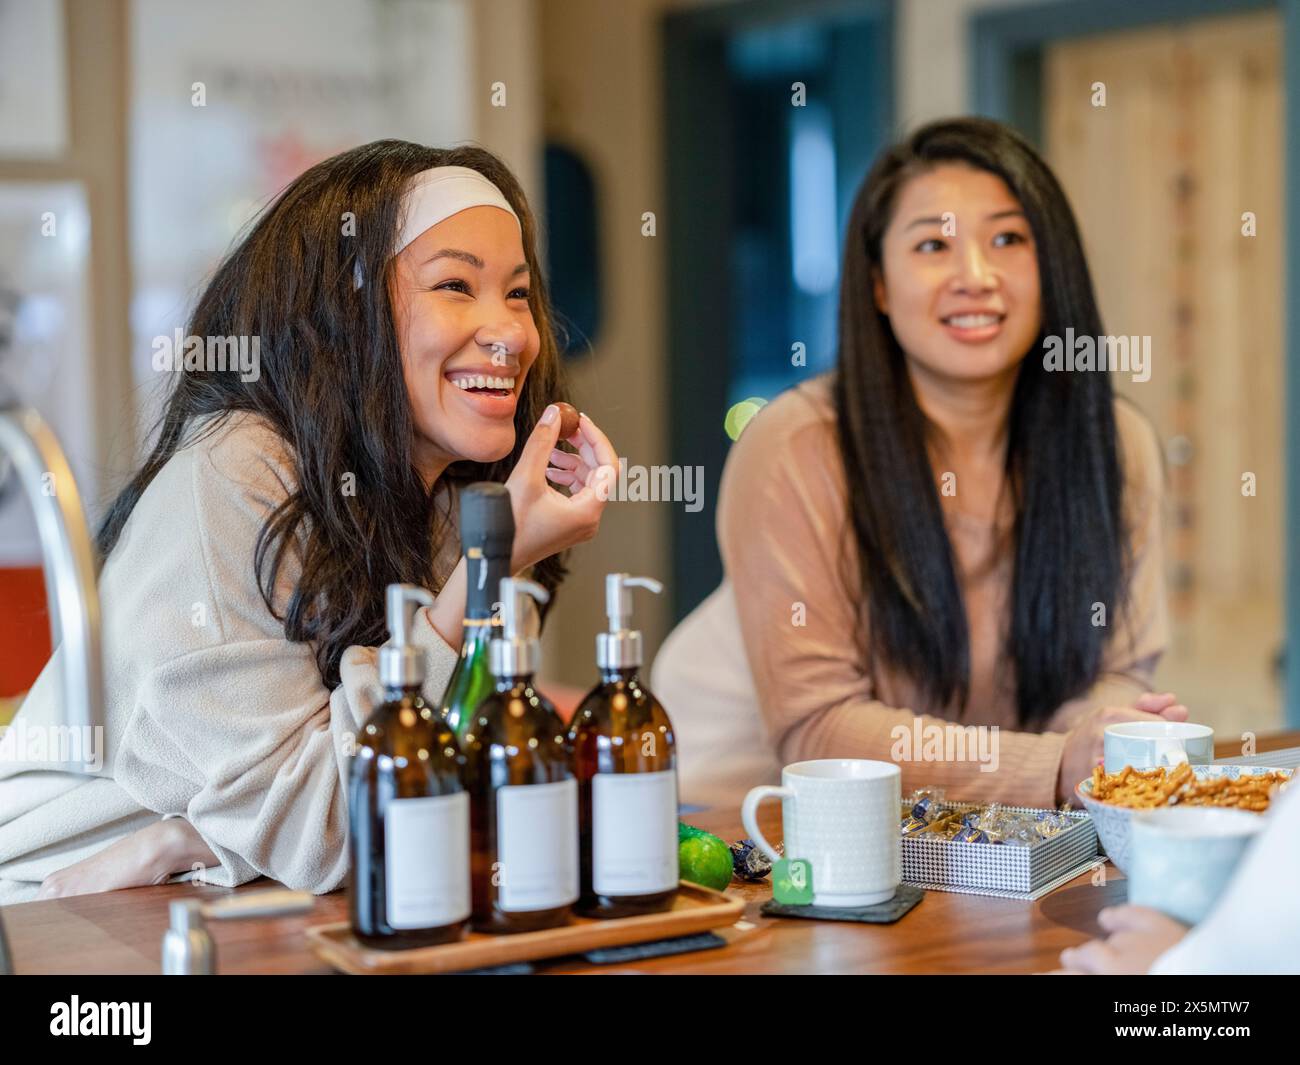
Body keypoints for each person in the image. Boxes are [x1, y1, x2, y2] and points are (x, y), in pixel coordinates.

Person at [0, 142, 617, 902]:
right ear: (347, 313)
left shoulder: (454, 502)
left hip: (220, 890)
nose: (512, 333)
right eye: (456, 285)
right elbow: (328, 831)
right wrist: (490, 568)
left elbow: (451, 792)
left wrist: (198, 841)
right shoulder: (233, 472)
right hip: (54, 912)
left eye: (518, 293)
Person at [653, 117, 1184, 811]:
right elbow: (820, 731)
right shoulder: (797, 445)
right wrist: (1053, 764)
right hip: (742, 819)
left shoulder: (1115, 443)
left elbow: (1117, 670)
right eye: (934, 245)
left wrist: (1097, 738)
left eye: (1008, 239)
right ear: (878, 284)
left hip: (965, 825)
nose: (975, 277)